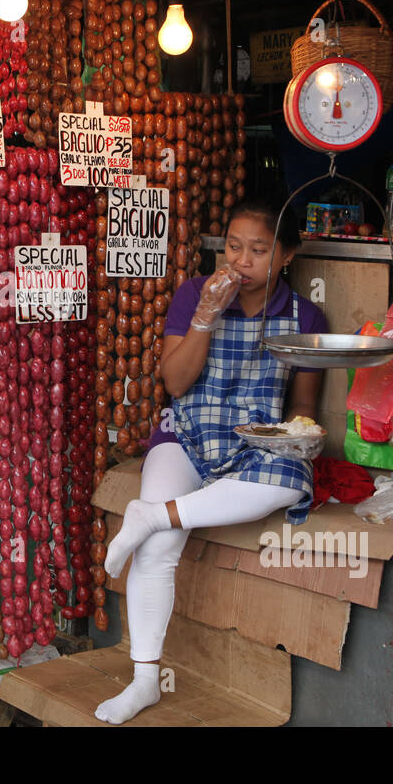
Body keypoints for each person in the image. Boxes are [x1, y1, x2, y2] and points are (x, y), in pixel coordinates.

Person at [95, 199, 325, 725]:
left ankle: (150, 513)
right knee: (158, 548)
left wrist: (303, 436)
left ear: (287, 254)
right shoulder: (193, 295)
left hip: (255, 445)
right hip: (187, 436)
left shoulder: (305, 317)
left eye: (259, 250)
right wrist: (204, 317)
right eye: (233, 247)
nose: (241, 260)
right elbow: (175, 383)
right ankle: (144, 679)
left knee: (292, 484)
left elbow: (305, 406)